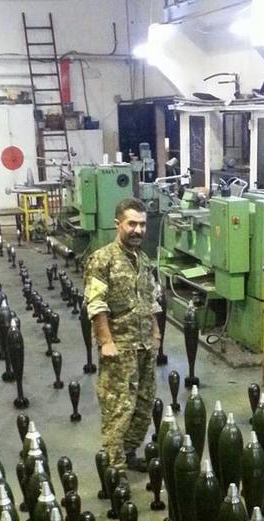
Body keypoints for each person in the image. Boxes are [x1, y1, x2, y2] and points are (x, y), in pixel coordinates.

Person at [84, 197, 161, 472]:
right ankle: (113, 468)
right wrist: (106, 342)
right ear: (118, 224)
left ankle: (128, 454)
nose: (138, 230)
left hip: (144, 346)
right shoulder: (102, 260)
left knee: (143, 404)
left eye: (142, 225)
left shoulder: (143, 259)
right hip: (120, 348)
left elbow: (151, 298)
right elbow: (95, 304)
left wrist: (155, 331)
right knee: (119, 408)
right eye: (132, 224)